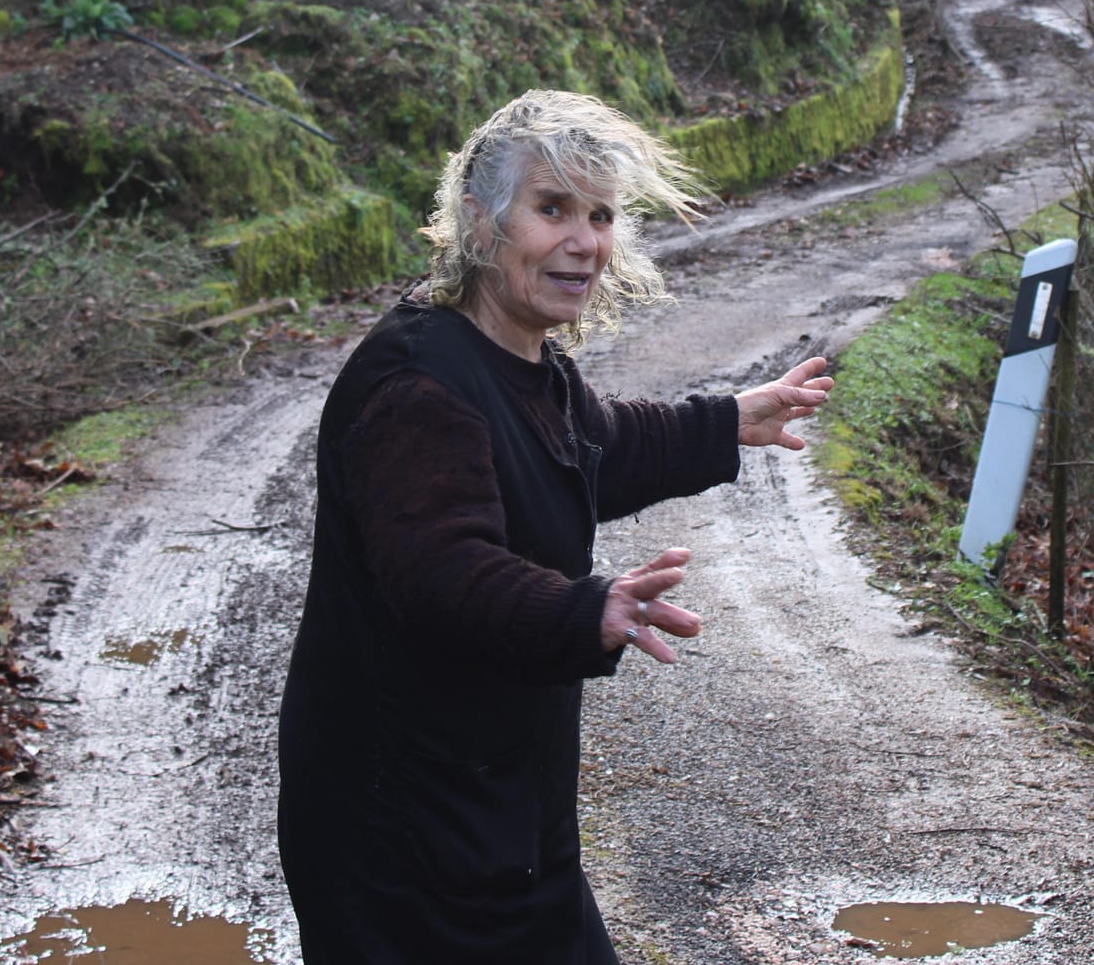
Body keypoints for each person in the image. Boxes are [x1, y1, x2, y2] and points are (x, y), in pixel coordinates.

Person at [277, 89, 834, 963]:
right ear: (480, 220)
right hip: (399, 840)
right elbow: (442, 571)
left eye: (601, 214)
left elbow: (596, 445)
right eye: (553, 208)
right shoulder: (417, 386)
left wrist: (728, 420)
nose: (585, 241)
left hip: (497, 808)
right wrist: (586, 610)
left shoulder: (524, 361)